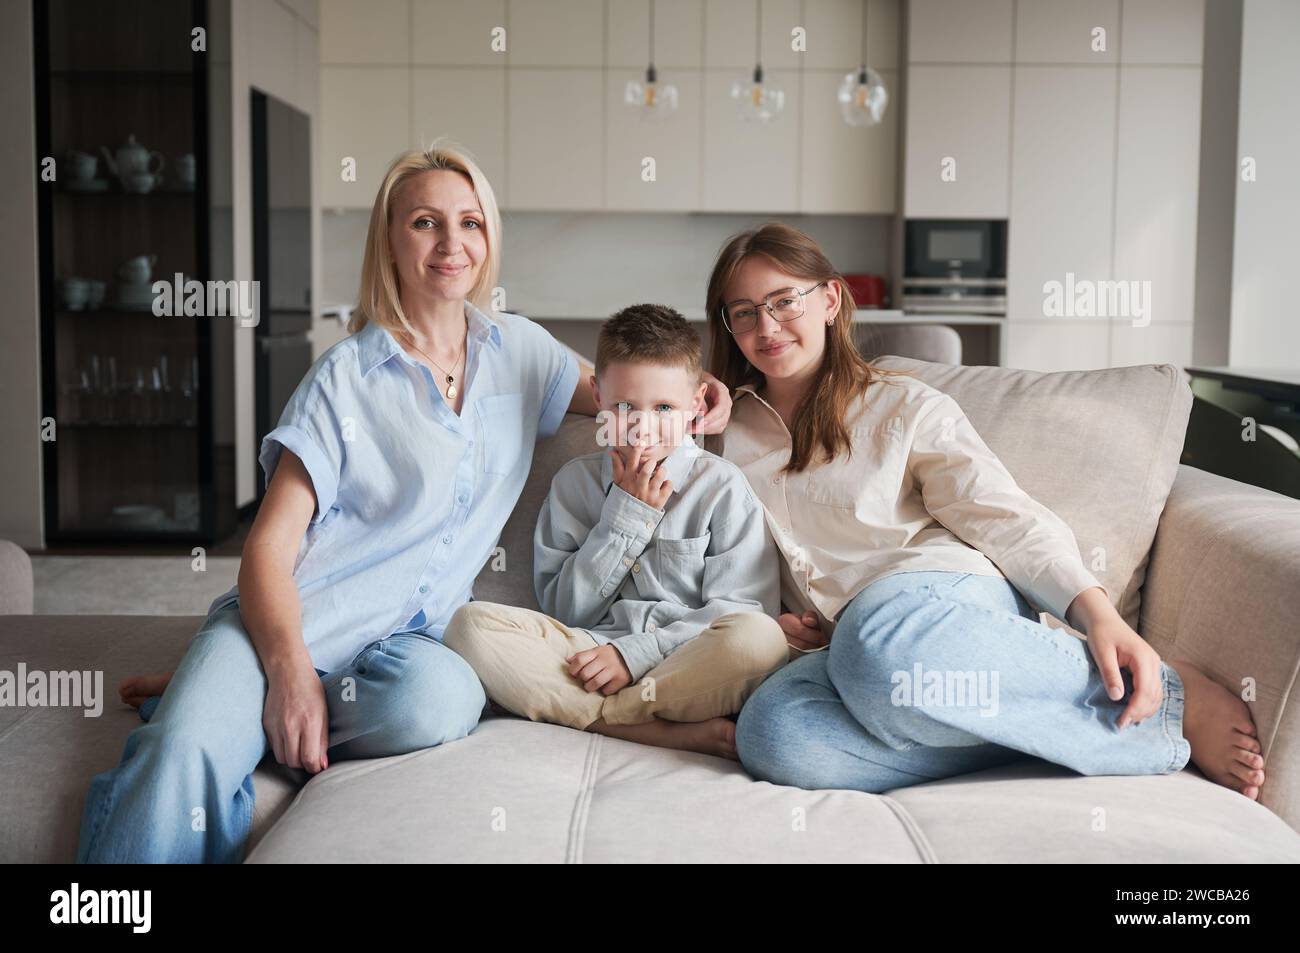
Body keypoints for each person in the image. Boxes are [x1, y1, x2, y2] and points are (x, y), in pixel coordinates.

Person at [77, 142, 735, 863]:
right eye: (426, 222)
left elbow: (623, 391)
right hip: (298, 626)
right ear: (390, 239)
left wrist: (705, 395)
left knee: (444, 701)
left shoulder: (522, 352)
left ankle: (223, 704)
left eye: (471, 223)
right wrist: (290, 669)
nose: (453, 243)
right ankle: (218, 707)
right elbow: (267, 548)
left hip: (402, 658)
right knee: (179, 755)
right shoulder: (344, 377)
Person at [704, 222, 1266, 799]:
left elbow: (1000, 513)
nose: (766, 327)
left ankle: (1171, 703)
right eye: (743, 312)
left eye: (783, 301)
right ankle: (1030, 728)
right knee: (776, 734)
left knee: (875, 643)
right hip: (845, 651)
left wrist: (1098, 614)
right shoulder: (713, 432)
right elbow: (612, 390)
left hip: (933, 599)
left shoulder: (901, 402)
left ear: (829, 299)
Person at [443, 305, 787, 760]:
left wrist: (637, 656)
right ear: (598, 397)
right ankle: (640, 727)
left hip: (686, 662)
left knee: (761, 640)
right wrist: (625, 515)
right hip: (590, 656)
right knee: (469, 627)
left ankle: (607, 718)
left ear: (695, 405)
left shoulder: (720, 487)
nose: (644, 427)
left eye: (664, 408)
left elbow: (739, 608)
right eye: (625, 407)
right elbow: (567, 610)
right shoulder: (573, 485)